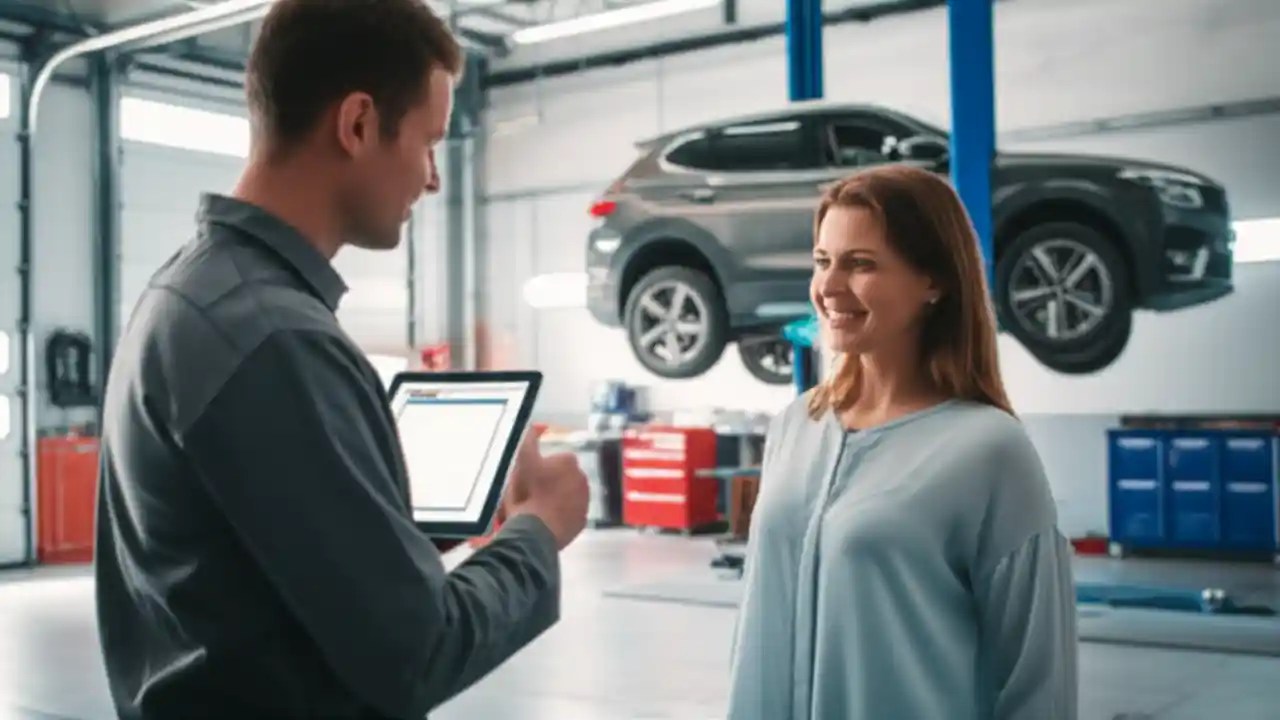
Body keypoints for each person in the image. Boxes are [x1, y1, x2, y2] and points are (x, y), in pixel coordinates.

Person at [94, 1, 589, 718]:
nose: (433, 179)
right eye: (428, 142)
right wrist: (540, 529)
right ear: (357, 124)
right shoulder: (274, 341)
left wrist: (406, 526)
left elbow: (273, 563)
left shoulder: (192, 293)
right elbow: (420, 652)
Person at [725, 165, 1078, 720]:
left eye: (860, 264)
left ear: (933, 282)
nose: (829, 287)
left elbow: (1036, 679)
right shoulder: (797, 425)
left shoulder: (988, 449)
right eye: (822, 261)